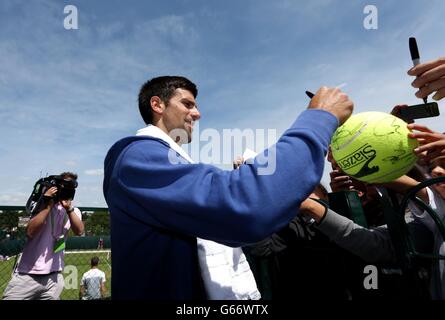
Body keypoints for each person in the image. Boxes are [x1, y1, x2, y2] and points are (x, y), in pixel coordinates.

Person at [103, 76, 353, 299]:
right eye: (187, 104)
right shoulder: (137, 155)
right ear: (157, 105)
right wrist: (320, 117)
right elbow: (247, 204)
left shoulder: (173, 160)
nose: (197, 113)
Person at [2, 172, 84, 300]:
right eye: (65, 188)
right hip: (28, 274)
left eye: (71, 189)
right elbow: (30, 231)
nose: (68, 192)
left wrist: (69, 209)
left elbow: (79, 231)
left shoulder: (73, 211)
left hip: (54, 277)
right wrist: (47, 206)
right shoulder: (42, 205)